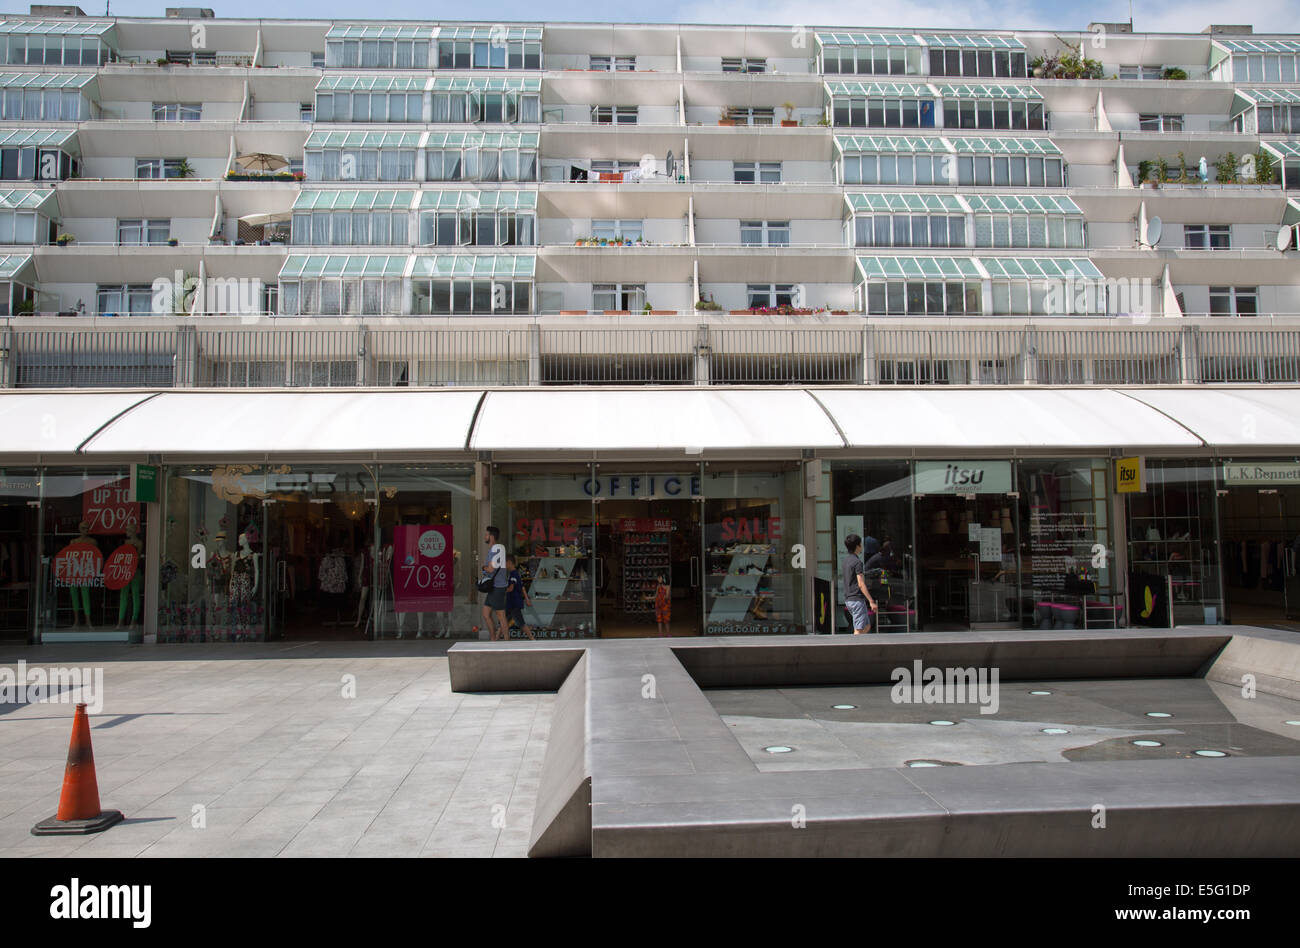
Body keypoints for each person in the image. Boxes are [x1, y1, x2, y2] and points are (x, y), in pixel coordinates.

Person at [841, 533, 878, 635]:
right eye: (861, 544)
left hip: (849, 599)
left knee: (867, 626)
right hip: (856, 600)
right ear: (858, 546)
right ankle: (853, 649)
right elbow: (861, 583)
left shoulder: (845, 561)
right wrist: (871, 601)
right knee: (858, 630)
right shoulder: (857, 562)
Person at [481, 526, 509, 641]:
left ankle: (507, 641)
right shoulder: (498, 548)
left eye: (486, 534)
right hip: (495, 587)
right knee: (486, 613)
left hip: (497, 587)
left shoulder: (495, 549)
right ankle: (493, 639)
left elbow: (491, 569)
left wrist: (483, 567)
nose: (485, 536)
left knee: (500, 615)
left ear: (491, 537)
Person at [505, 555, 535, 641]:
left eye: (505, 563)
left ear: (509, 563)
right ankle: (496, 638)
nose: (504, 565)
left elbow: (511, 588)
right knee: (504, 620)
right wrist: (527, 599)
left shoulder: (513, 574)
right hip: (513, 602)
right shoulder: (515, 573)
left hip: (513, 602)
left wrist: (502, 590)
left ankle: (532, 638)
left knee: (520, 622)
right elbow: (522, 587)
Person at [654, 573, 671, 637]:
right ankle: (660, 634)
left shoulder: (667, 586)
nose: (658, 579)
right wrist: (647, 598)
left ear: (663, 579)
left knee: (666, 620)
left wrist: (665, 597)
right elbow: (656, 596)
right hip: (658, 605)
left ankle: (668, 634)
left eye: (659, 578)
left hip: (665, 605)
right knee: (659, 620)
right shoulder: (658, 586)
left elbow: (667, 596)